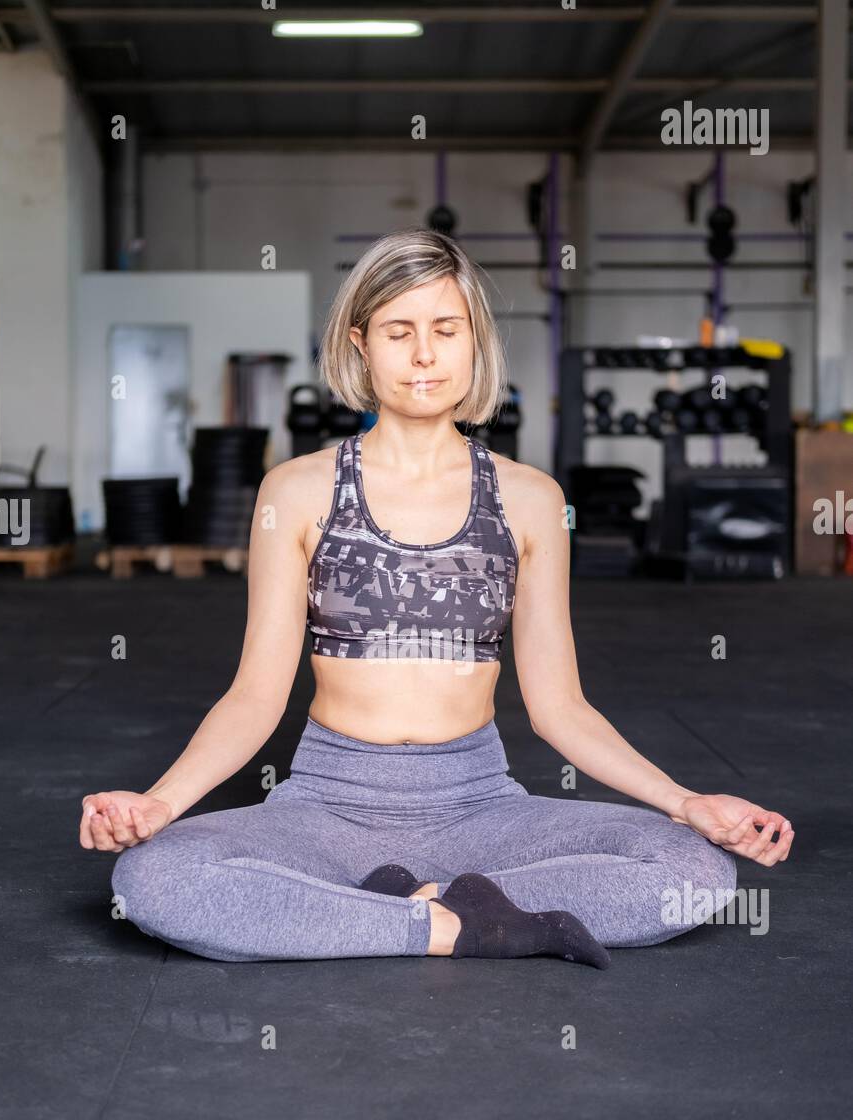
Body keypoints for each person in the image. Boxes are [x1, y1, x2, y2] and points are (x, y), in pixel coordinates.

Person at [79, 228, 793, 968]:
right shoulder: (295, 491)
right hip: (327, 809)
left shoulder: (531, 499)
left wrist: (686, 803)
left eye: (446, 330)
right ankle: (459, 924)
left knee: (693, 869)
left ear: (474, 341)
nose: (424, 354)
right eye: (399, 331)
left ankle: (387, 906)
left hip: (480, 806)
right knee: (152, 877)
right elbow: (255, 696)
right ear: (361, 344)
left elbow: (560, 707)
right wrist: (161, 803)